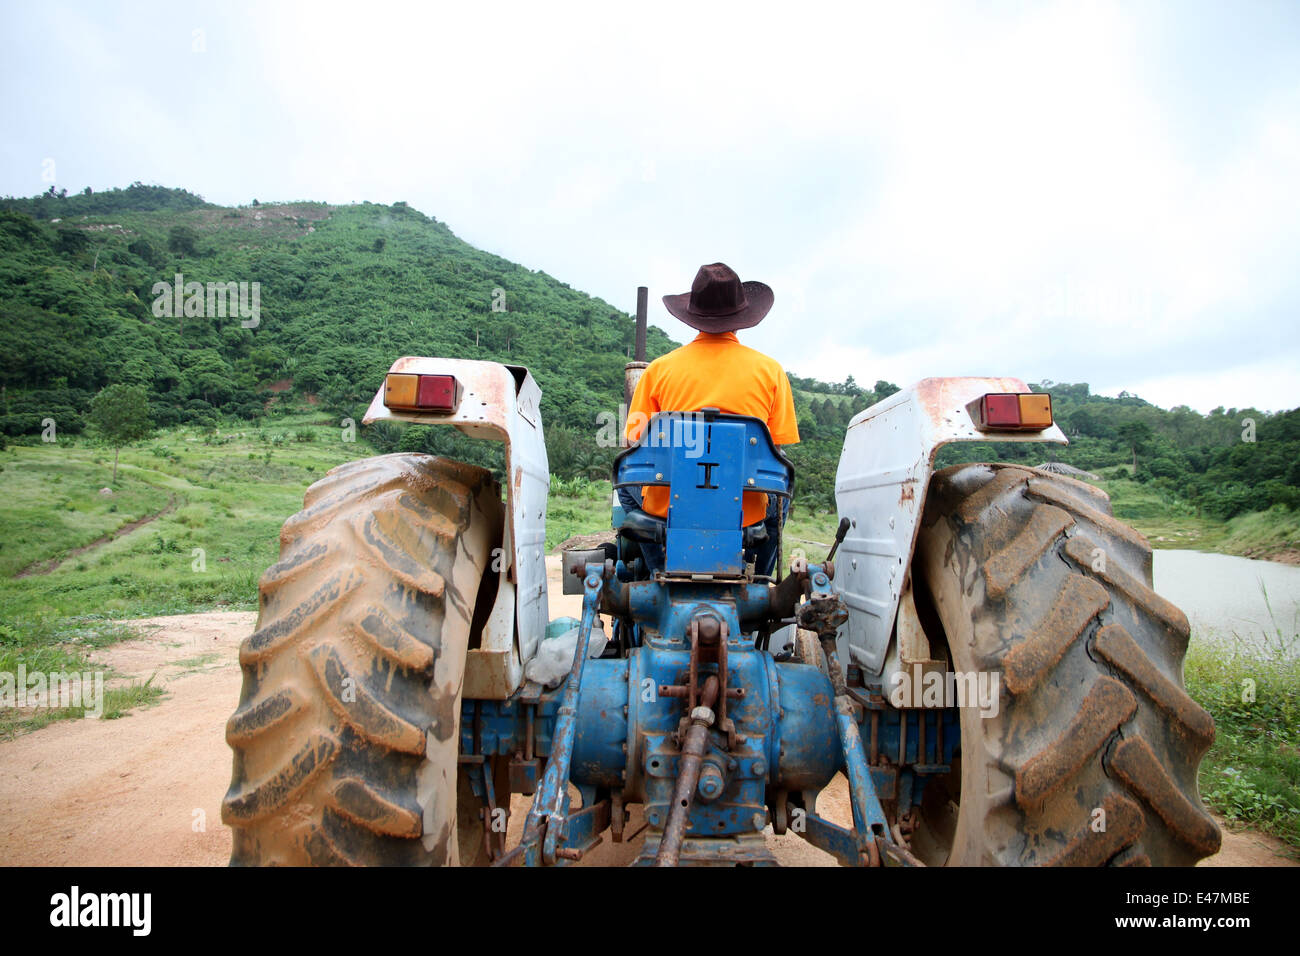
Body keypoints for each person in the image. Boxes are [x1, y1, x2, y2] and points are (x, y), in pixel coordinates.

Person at [622, 262, 800, 575]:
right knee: (783, 489)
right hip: (745, 513)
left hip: (667, 509)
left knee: (625, 487)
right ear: (741, 319)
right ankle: (758, 577)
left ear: (694, 318)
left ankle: (658, 570)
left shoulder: (659, 370)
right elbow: (776, 450)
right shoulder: (771, 371)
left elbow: (634, 443)